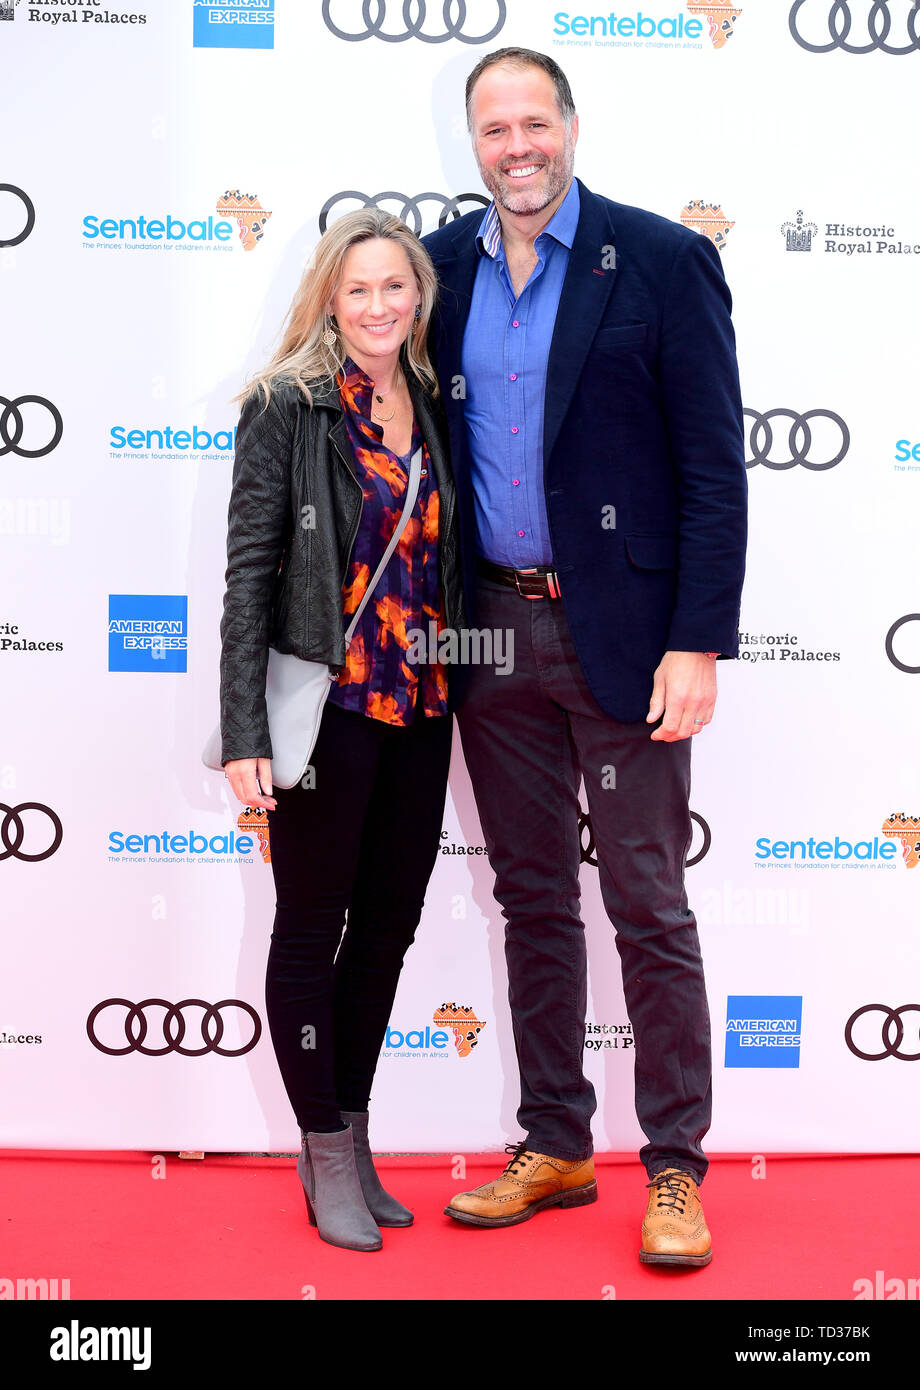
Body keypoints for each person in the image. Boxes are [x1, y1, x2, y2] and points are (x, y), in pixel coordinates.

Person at [422, 48, 747, 1265]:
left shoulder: (661, 261)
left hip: (623, 636)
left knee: (648, 903)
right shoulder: (439, 268)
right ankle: (554, 1140)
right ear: (473, 142)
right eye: (493, 128)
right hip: (488, 632)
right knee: (530, 898)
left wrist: (696, 641)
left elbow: (714, 470)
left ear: (569, 126)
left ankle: (673, 1167)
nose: (516, 147)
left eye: (533, 122)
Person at [218, 209, 463, 1252]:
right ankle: (321, 1148)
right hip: (326, 710)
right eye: (357, 290)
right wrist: (241, 731)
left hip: (421, 709)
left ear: (418, 297)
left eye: (393, 288)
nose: (377, 307)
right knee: (312, 929)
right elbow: (248, 577)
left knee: (390, 930)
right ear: (329, 297)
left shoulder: (433, 400)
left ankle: (354, 1131)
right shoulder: (287, 406)